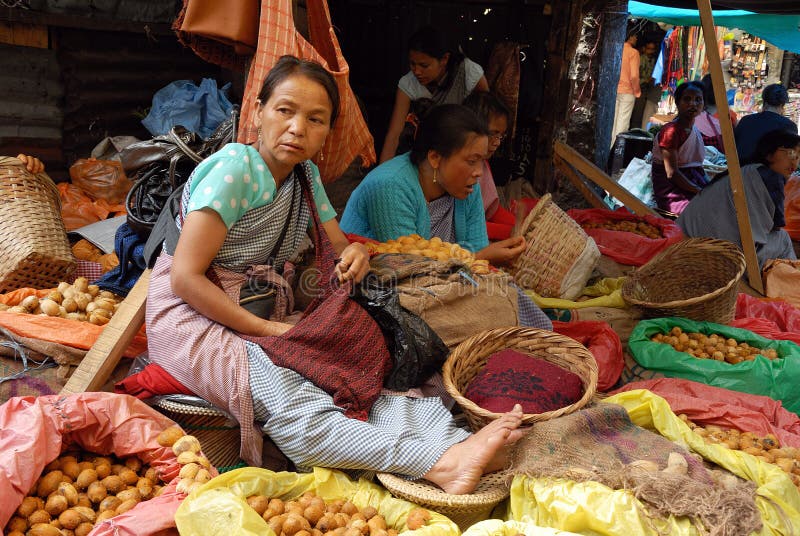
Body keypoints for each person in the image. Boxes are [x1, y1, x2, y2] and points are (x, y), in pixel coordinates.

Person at [145, 55, 525, 495]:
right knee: (289, 392)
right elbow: (185, 279)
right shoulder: (235, 170)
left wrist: (358, 252)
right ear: (258, 111)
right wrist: (266, 329)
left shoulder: (303, 175)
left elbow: (339, 244)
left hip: (255, 306)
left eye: (316, 119)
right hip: (191, 315)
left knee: (351, 373)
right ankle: (439, 463)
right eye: (284, 110)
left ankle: (453, 440)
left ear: (328, 131)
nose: (297, 128)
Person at [342, 103, 527, 267]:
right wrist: (479, 257)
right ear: (435, 158)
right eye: (472, 161)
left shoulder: (469, 186)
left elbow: (477, 250)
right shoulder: (390, 186)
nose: (479, 172)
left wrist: (482, 257)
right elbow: (406, 266)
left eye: (482, 160)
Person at [677, 129, 800, 269]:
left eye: (798, 155)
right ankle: (792, 283)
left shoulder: (743, 169)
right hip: (722, 255)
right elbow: (777, 224)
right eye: (791, 152)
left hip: (689, 236)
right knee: (783, 239)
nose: (795, 160)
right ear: (769, 154)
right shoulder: (772, 179)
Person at [379, 25, 489, 163]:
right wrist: (381, 173)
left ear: (444, 59)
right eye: (412, 64)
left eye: (424, 66)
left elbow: (487, 111)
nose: (417, 71)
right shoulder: (408, 83)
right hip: (425, 153)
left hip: (463, 150)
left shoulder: (468, 72)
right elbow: (394, 135)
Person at [462, 91, 517, 240]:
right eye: (493, 133)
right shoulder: (460, 169)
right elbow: (467, 225)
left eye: (501, 136)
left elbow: (492, 209)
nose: (497, 142)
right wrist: (513, 233)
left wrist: (520, 226)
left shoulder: (484, 165)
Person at [651, 81, 709, 215]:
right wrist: (698, 190)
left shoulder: (693, 129)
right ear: (677, 103)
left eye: (698, 100)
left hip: (691, 183)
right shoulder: (671, 132)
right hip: (672, 191)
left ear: (704, 105)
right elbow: (672, 173)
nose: (693, 104)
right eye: (687, 99)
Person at [734, 83, 798, 164]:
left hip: (739, 172)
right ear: (782, 104)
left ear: (764, 101)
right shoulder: (789, 126)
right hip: (766, 175)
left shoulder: (746, 120)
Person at [610, 30, 641, 146]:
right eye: (635, 36)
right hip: (627, 91)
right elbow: (634, 76)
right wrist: (637, 92)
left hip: (614, 91)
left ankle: (607, 151)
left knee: (612, 123)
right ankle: (615, 154)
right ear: (630, 36)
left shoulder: (615, 49)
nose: (636, 39)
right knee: (622, 125)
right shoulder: (633, 53)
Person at [630, 40, 659, 130]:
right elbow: (635, 75)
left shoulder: (653, 60)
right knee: (637, 113)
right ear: (644, 49)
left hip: (648, 89)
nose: (651, 51)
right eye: (649, 49)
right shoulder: (641, 59)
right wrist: (646, 80)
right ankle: (634, 131)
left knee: (644, 113)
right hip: (640, 87)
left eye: (652, 49)